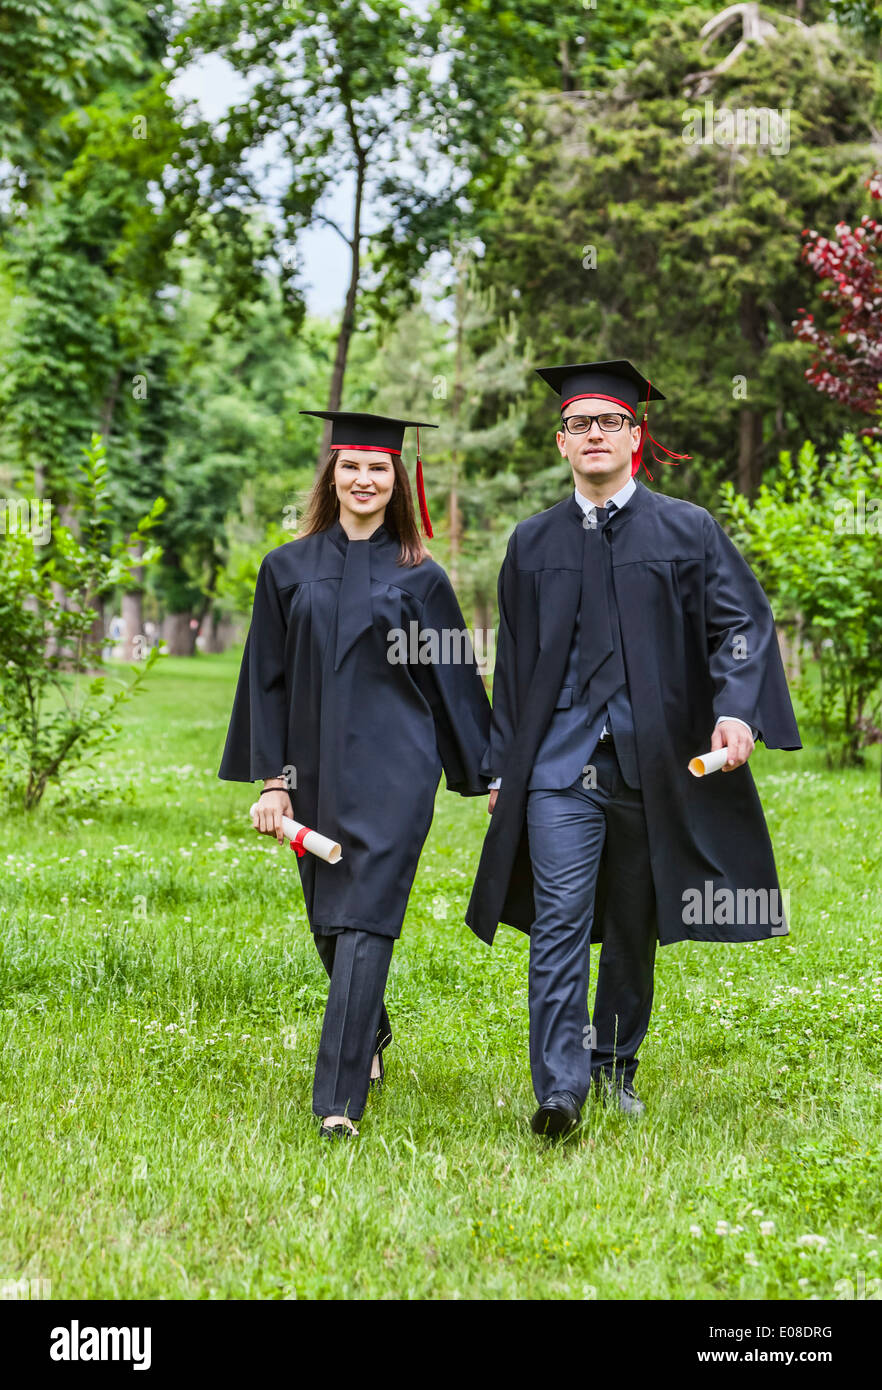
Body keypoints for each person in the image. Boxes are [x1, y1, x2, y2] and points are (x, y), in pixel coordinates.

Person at [466, 359, 801, 1138]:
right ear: (561, 443)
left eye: (609, 422)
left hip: (651, 764)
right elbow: (513, 663)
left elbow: (741, 627)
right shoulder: (533, 541)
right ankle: (560, 1087)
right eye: (580, 424)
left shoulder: (687, 530)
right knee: (557, 918)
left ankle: (613, 1066)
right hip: (556, 766)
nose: (594, 435)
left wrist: (736, 712)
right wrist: (500, 765)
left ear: (636, 436)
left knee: (629, 921)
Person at [218, 411, 491, 1139]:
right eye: (351, 467)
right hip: (309, 771)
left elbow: (454, 680)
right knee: (329, 921)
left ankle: (338, 1100)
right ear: (331, 477)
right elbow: (265, 681)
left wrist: (489, 772)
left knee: (366, 917)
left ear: (397, 480)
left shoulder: (420, 576)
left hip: (397, 768)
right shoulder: (286, 569)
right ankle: (368, 1028)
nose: (364, 480)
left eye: (378, 469)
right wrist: (274, 782)